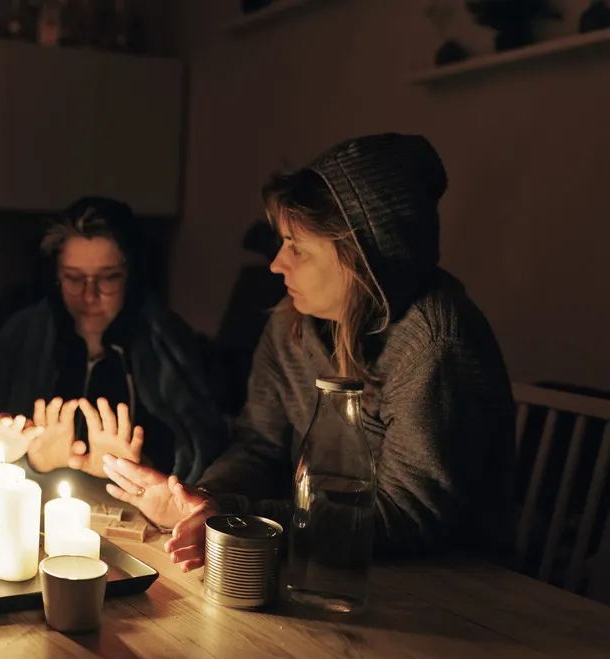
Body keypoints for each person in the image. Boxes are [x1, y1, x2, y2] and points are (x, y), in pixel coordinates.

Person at [102, 134, 515, 571]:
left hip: (450, 585)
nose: (276, 263)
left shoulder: (435, 343)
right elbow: (260, 444)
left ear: (362, 260)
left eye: (297, 248)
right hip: (326, 563)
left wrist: (238, 518)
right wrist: (203, 500)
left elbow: (407, 515)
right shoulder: (291, 321)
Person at [0, 196, 226, 482]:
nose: (89, 296)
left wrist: (141, 467)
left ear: (130, 276)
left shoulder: (168, 341)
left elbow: (201, 454)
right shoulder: (22, 336)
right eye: (74, 278)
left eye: (108, 278)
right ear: (56, 276)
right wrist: (25, 462)